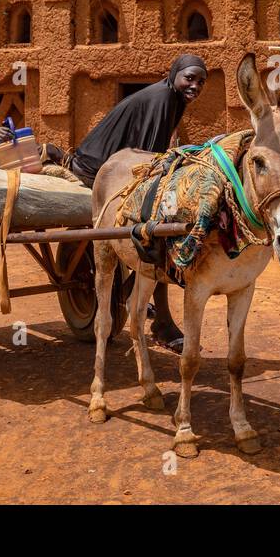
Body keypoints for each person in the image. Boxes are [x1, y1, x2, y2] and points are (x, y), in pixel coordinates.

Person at [68, 54, 208, 353]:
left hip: (114, 165)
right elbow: (147, 159)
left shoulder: (171, 97)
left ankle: (142, 299)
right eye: (190, 78)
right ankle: (162, 321)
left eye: (200, 81)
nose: (195, 85)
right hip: (95, 171)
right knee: (155, 231)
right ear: (174, 74)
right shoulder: (161, 99)